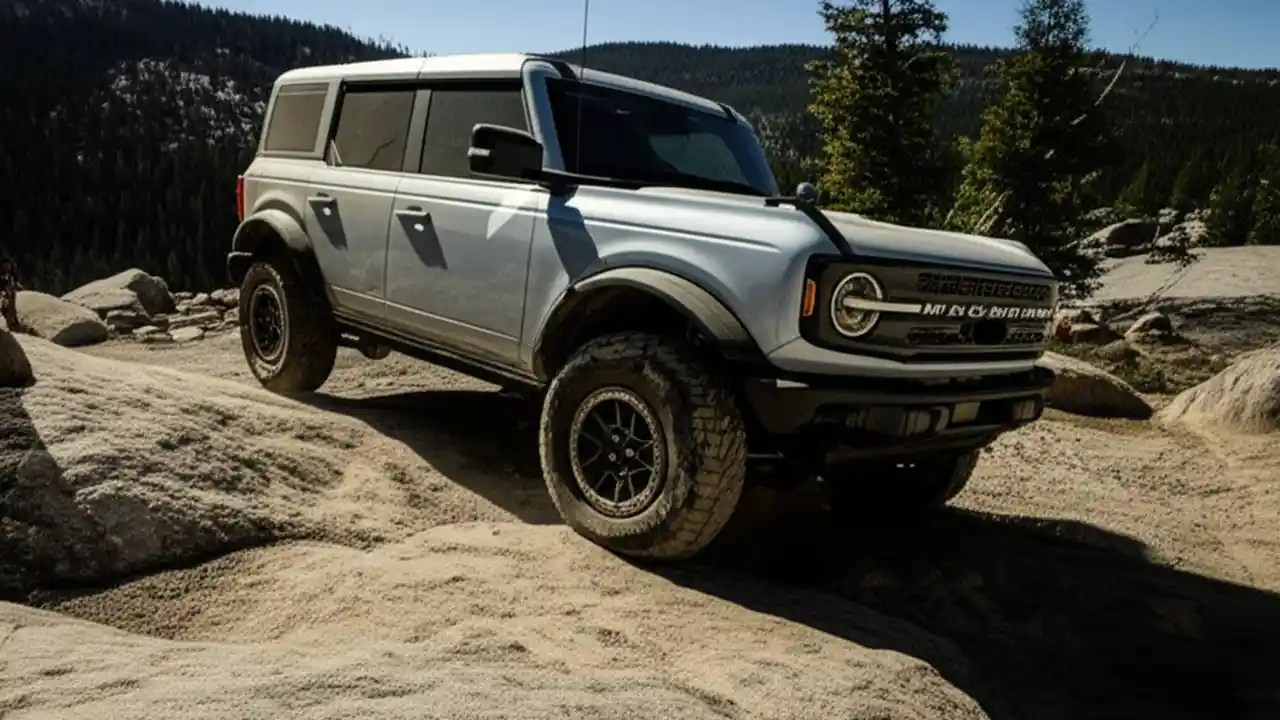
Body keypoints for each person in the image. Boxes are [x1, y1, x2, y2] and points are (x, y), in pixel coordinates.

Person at [0, 253, 25, 334]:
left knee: (11, 305)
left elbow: (16, 282)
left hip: (9, 294)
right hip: (3, 293)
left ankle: (13, 322)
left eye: (9, 264)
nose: (7, 266)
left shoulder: (12, 273)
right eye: (6, 264)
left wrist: (18, 287)